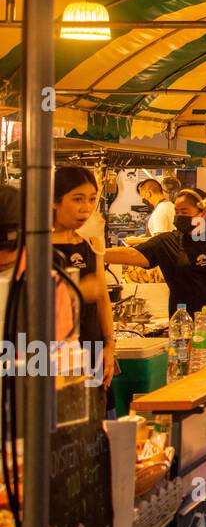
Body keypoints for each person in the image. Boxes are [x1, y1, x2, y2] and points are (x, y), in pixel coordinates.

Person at [106, 187, 206, 338]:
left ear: (203, 212)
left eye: (184, 212)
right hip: (187, 328)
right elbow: (133, 254)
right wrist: (96, 253)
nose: (179, 217)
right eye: (177, 212)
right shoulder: (169, 242)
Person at [51, 167, 115, 389]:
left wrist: (109, 345)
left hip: (93, 345)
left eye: (91, 199)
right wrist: (77, 290)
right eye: (77, 199)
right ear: (54, 201)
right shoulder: (37, 245)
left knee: (98, 416)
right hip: (53, 352)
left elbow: (102, 296)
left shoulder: (91, 241)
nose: (86, 208)